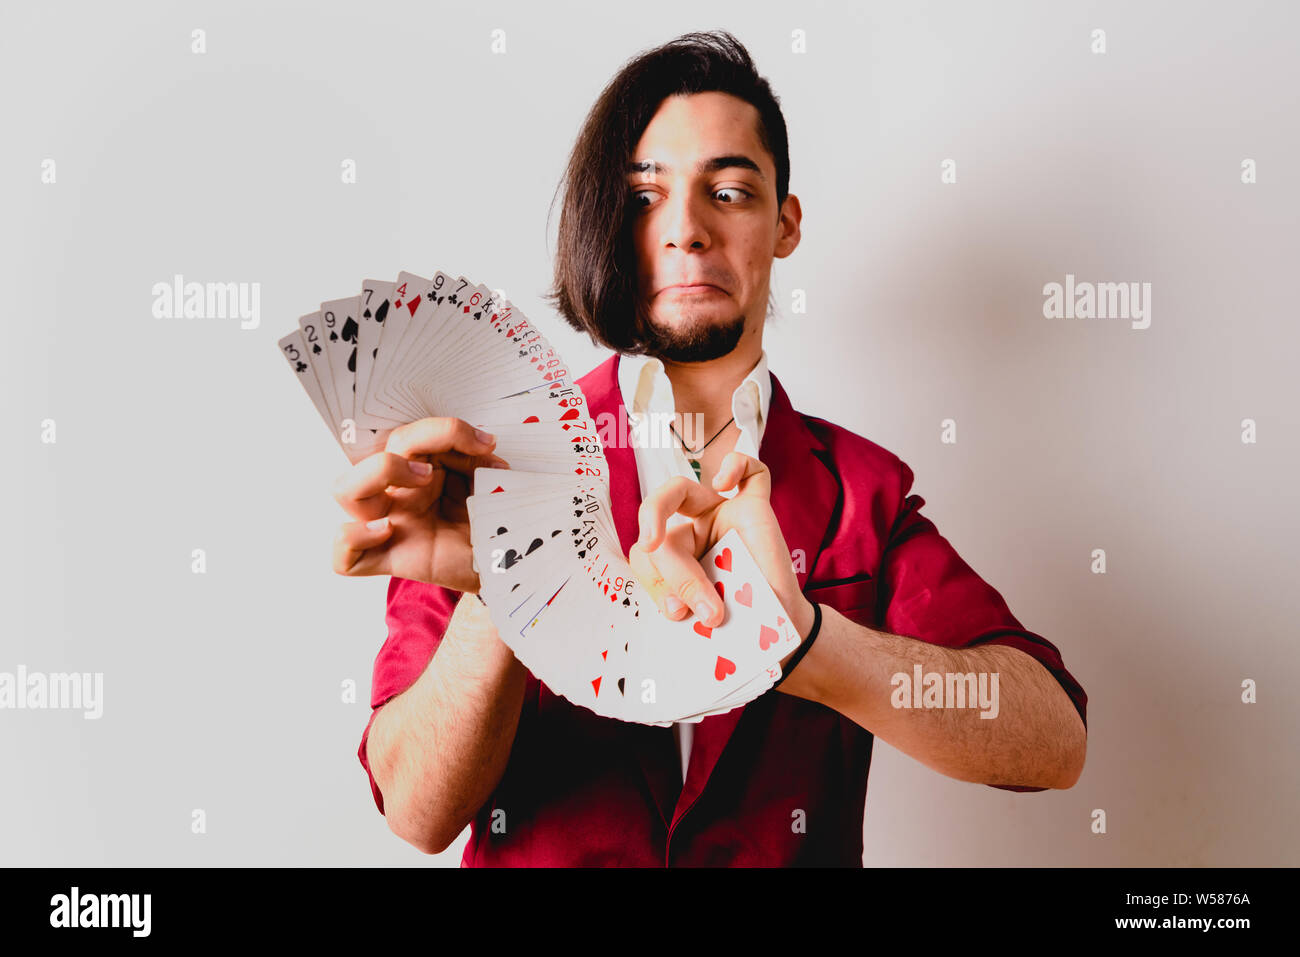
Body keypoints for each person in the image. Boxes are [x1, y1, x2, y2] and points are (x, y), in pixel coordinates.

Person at [330, 31, 1087, 866]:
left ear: (785, 223)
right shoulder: (498, 468)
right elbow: (416, 809)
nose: (687, 229)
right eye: (646, 197)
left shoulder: (862, 489)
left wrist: (803, 640)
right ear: (608, 224)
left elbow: (1051, 737)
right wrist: (504, 588)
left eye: (728, 191)